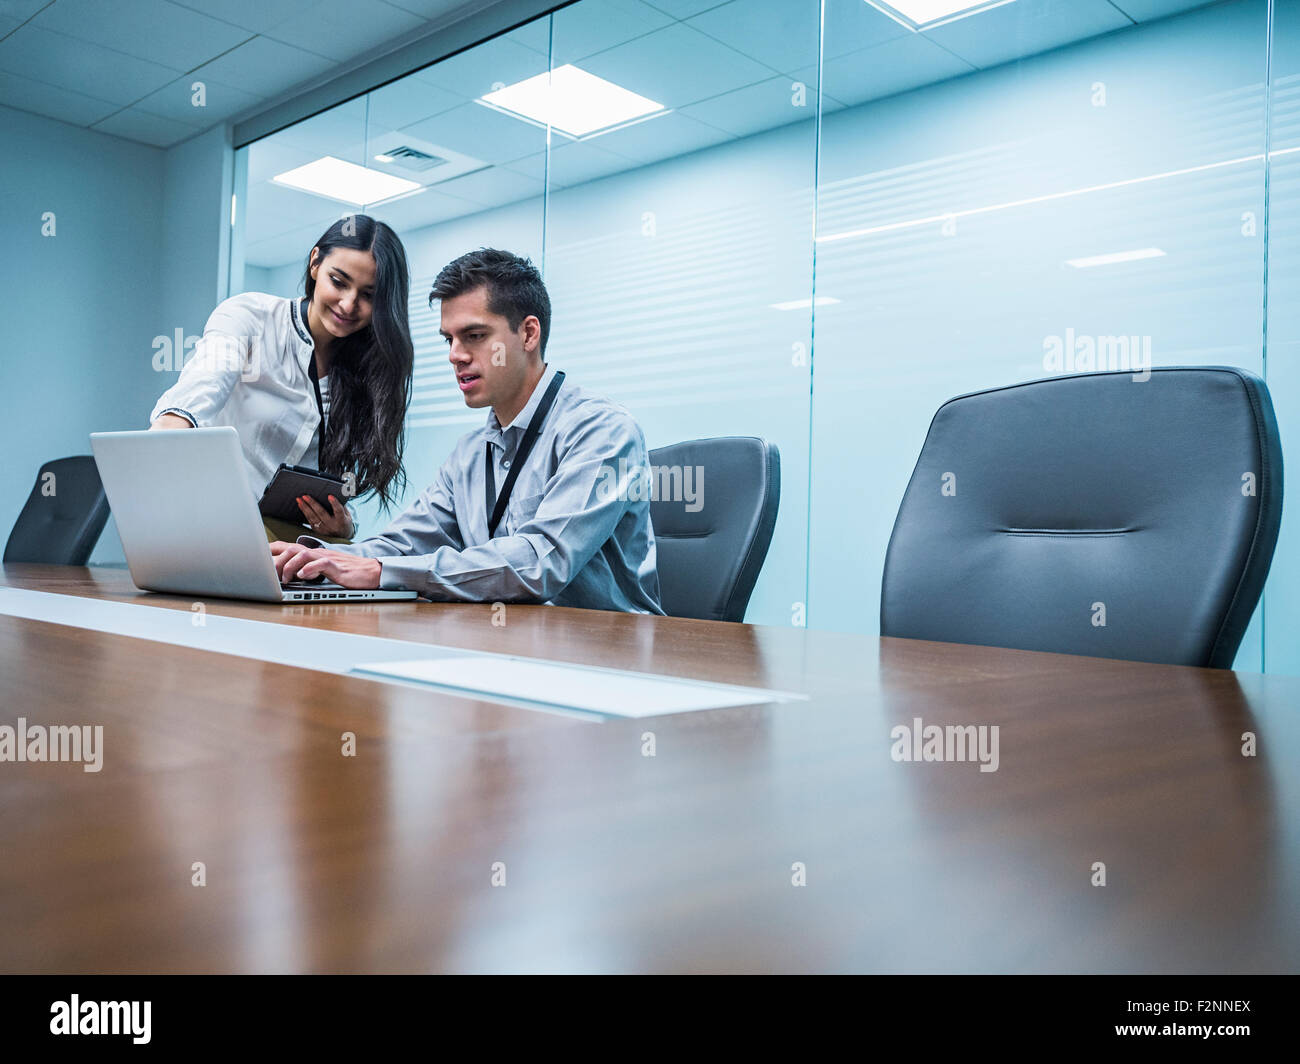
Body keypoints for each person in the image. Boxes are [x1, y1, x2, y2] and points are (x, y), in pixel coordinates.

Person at [272, 248, 663, 614]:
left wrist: (378, 571)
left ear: (528, 334)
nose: (455, 355)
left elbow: (542, 562)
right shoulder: (472, 453)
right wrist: (314, 556)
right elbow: (401, 545)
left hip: (610, 659)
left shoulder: (602, 432)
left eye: (474, 336)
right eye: (449, 339)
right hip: (509, 647)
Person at [149, 214, 414, 542]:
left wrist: (346, 525)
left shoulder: (369, 372)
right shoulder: (251, 317)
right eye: (339, 281)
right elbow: (208, 376)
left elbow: (333, 477)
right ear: (315, 264)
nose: (348, 304)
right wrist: (174, 423)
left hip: (290, 546)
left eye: (368, 296)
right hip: (210, 529)